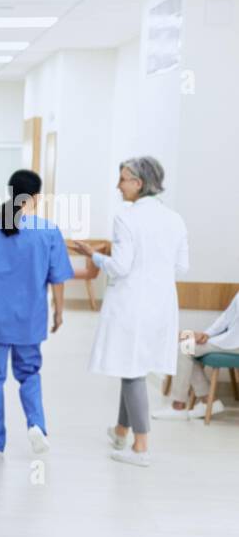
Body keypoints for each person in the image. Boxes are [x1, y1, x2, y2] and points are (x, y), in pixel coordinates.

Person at [74, 157, 188, 466]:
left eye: (122, 179)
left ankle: (141, 447)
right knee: (132, 366)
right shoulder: (175, 219)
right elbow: (181, 266)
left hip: (131, 304)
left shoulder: (126, 218)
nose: (118, 185)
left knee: (132, 370)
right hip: (161, 304)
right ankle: (121, 431)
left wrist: (96, 256)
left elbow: (121, 267)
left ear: (138, 183)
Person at [0, 169, 74, 456]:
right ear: (37, 197)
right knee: (29, 374)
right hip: (30, 318)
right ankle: (36, 425)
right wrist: (59, 313)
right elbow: (58, 279)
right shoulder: (49, 231)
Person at [155, 289, 239, 419]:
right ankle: (208, 401)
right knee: (185, 348)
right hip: (230, 340)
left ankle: (179, 407)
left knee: (184, 348)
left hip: (234, 343)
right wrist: (208, 334)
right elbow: (227, 317)